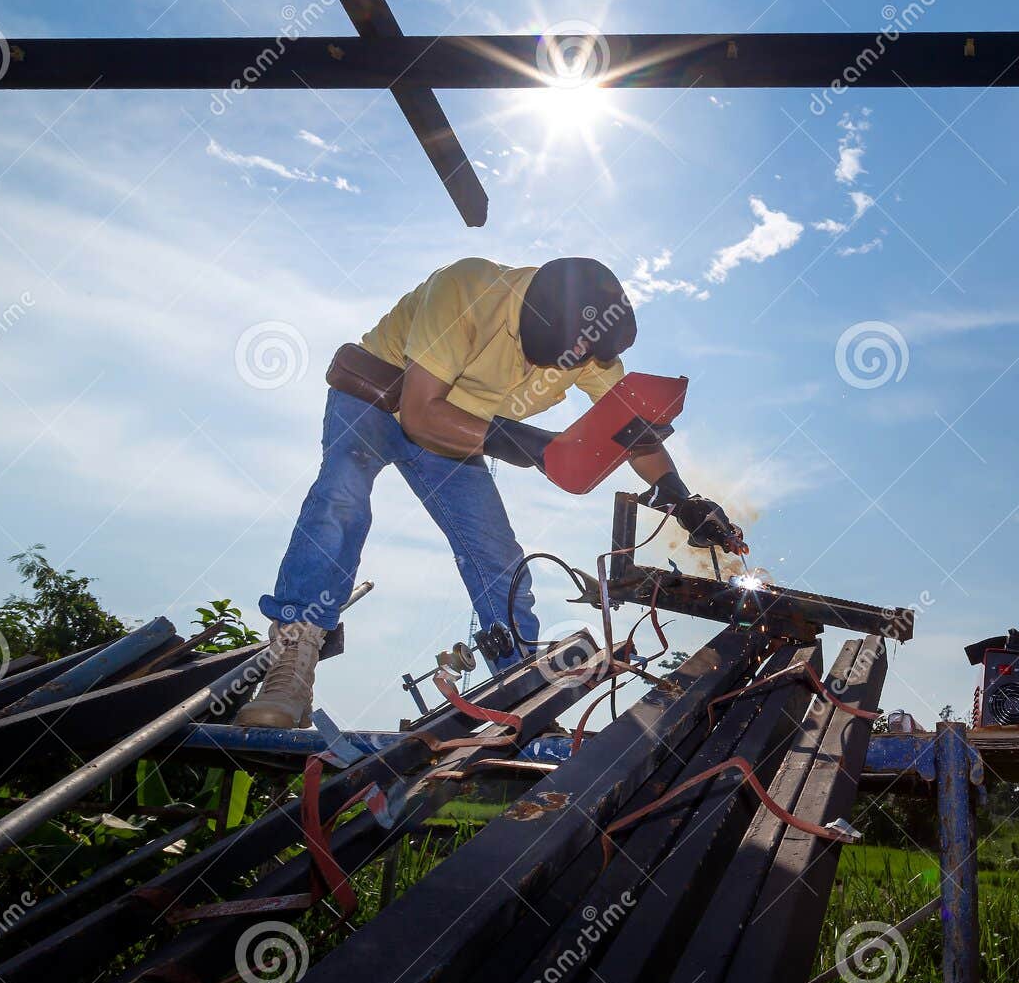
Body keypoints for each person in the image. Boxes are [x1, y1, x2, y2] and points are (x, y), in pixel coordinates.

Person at [236, 255, 742, 729]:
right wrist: (533, 446)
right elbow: (419, 413)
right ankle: (293, 658)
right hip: (381, 400)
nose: (579, 361)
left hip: (459, 429)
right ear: (538, 320)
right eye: (574, 352)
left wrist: (681, 499)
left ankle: (522, 687)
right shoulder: (468, 290)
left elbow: (629, 433)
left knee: (496, 553)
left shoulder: (590, 346)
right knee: (340, 498)